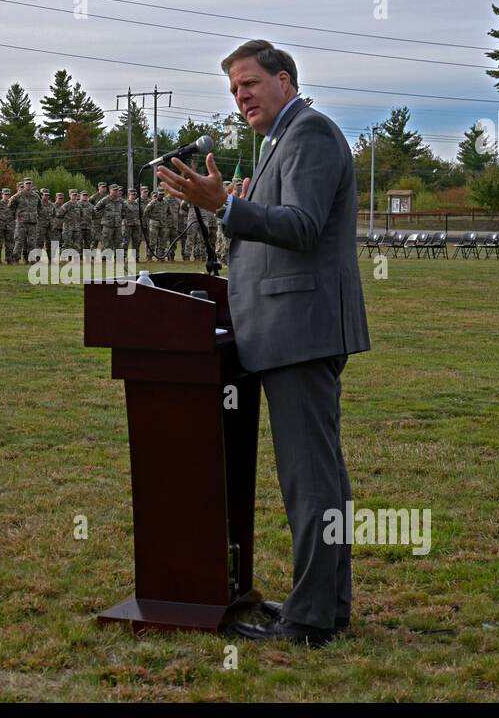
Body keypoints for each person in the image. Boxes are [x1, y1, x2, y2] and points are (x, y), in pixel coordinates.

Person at [157, 39, 370, 647]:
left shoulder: (311, 135)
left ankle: (310, 621)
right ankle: (322, 606)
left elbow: (302, 228)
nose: (240, 97)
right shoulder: (280, 141)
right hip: (283, 332)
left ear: (284, 80)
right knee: (314, 477)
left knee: (312, 479)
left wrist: (224, 205)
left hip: (299, 333)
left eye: (249, 84)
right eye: (232, 90)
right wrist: (234, 208)